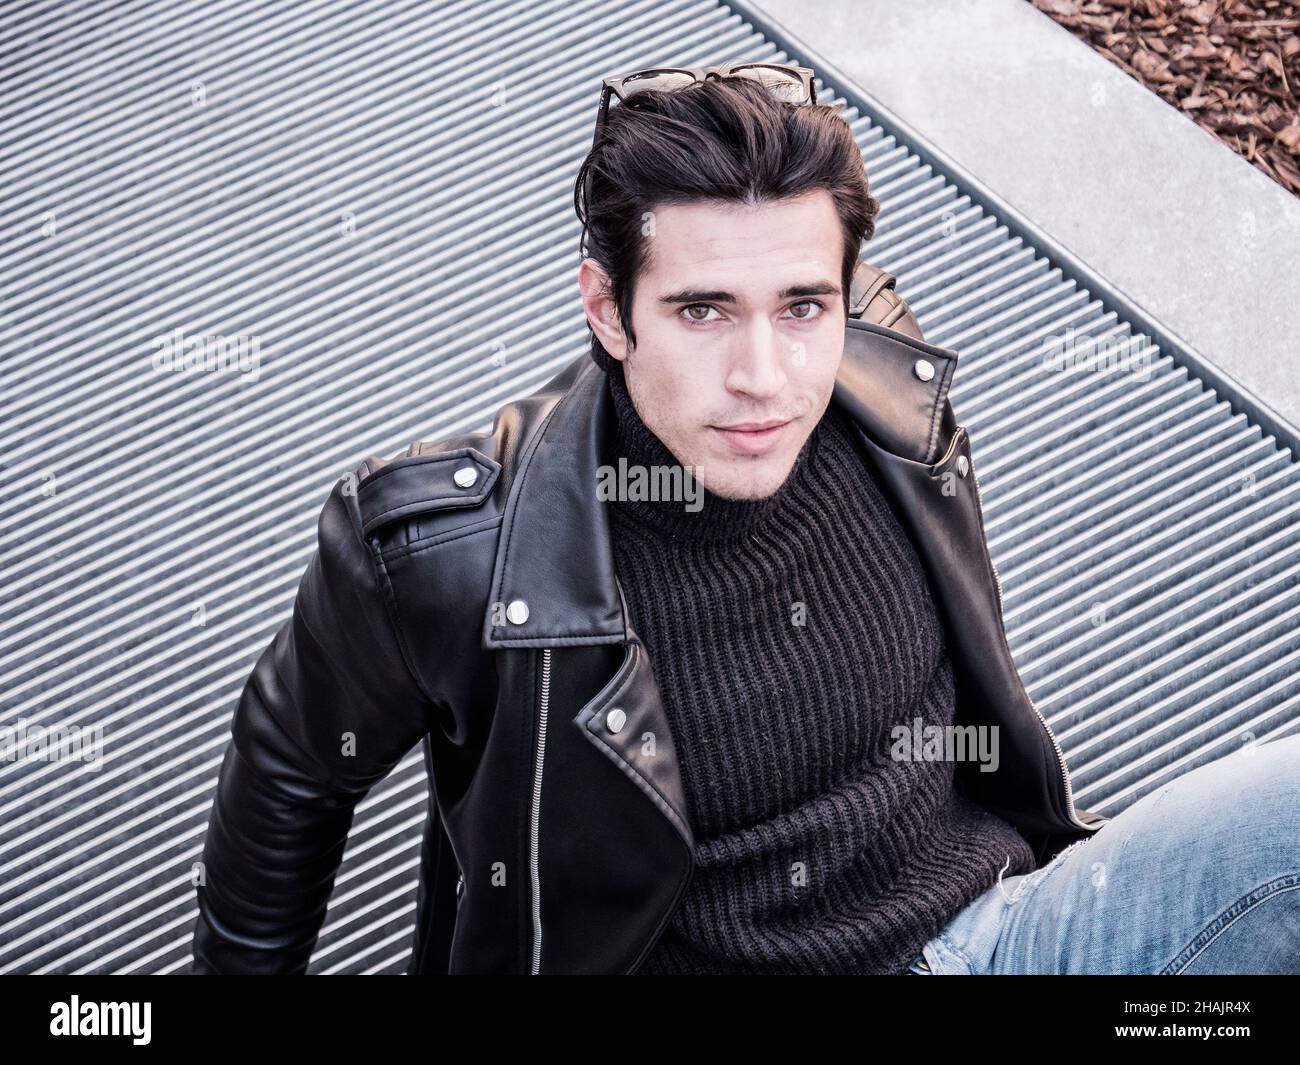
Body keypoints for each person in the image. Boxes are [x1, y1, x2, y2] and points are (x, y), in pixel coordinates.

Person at [190, 63, 1298, 975]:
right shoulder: (448, 552)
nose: (765, 376)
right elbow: (291, 769)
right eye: (701, 311)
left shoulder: (888, 401)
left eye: (802, 307)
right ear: (607, 310)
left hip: (999, 935)